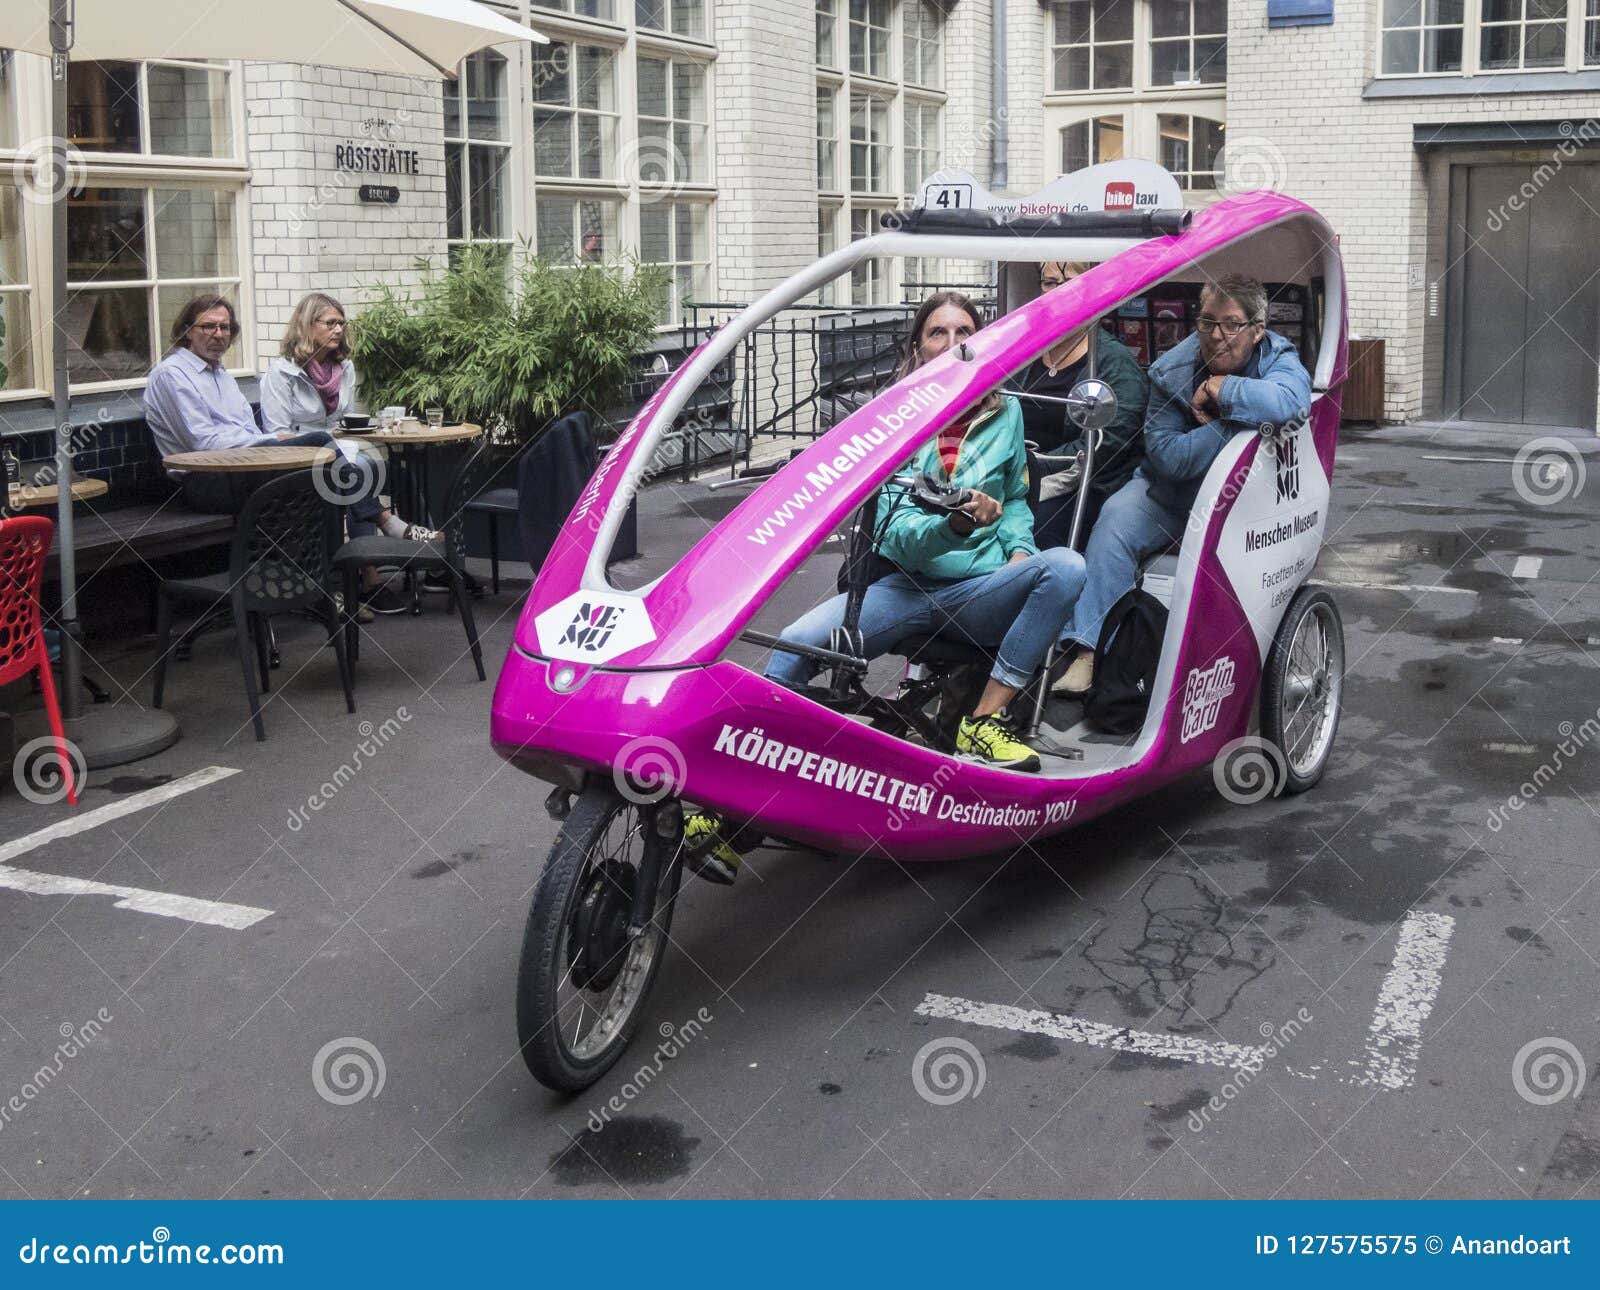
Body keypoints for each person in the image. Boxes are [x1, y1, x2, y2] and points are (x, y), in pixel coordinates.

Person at [684, 291, 1089, 884]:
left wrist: (1020, 550)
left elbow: (1015, 499)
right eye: (937, 334)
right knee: (794, 643)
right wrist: (954, 525)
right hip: (904, 587)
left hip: (979, 591)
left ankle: (983, 722)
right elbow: (895, 536)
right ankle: (729, 812)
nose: (952, 344)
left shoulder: (1006, 413)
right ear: (917, 348)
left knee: (1066, 567)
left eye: (964, 332)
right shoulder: (897, 418)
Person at [1053, 273, 1311, 696]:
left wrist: (1222, 389)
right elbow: (1171, 458)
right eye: (1207, 322)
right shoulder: (1170, 369)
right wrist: (1235, 425)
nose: (1217, 336)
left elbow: (1291, 405)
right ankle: (1090, 652)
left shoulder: (1278, 356)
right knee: (1114, 520)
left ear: (1257, 330)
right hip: (1172, 493)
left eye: (1232, 324)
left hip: (1249, 499)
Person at [143, 294, 436, 615]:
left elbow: (247, 431)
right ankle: (383, 523)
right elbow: (204, 442)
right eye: (208, 327)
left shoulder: (220, 374)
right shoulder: (172, 375)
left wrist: (270, 441)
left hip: (243, 469)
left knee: (325, 479)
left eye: (225, 327)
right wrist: (273, 440)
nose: (218, 334)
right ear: (187, 330)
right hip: (205, 482)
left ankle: (328, 590)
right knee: (319, 446)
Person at [1015, 261, 1148, 551]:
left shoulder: (1115, 363)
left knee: (1033, 531)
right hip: (1017, 479)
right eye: (1050, 283)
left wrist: (1025, 467)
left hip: (1082, 486)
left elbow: (1107, 446)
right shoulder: (1024, 353)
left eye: (1071, 284)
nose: (1059, 292)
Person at [259, 292, 356, 435]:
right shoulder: (282, 371)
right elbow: (278, 433)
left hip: (340, 444)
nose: (339, 330)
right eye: (330, 323)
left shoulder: (346, 367)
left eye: (341, 323)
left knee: (368, 451)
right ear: (307, 325)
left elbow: (348, 423)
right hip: (300, 447)